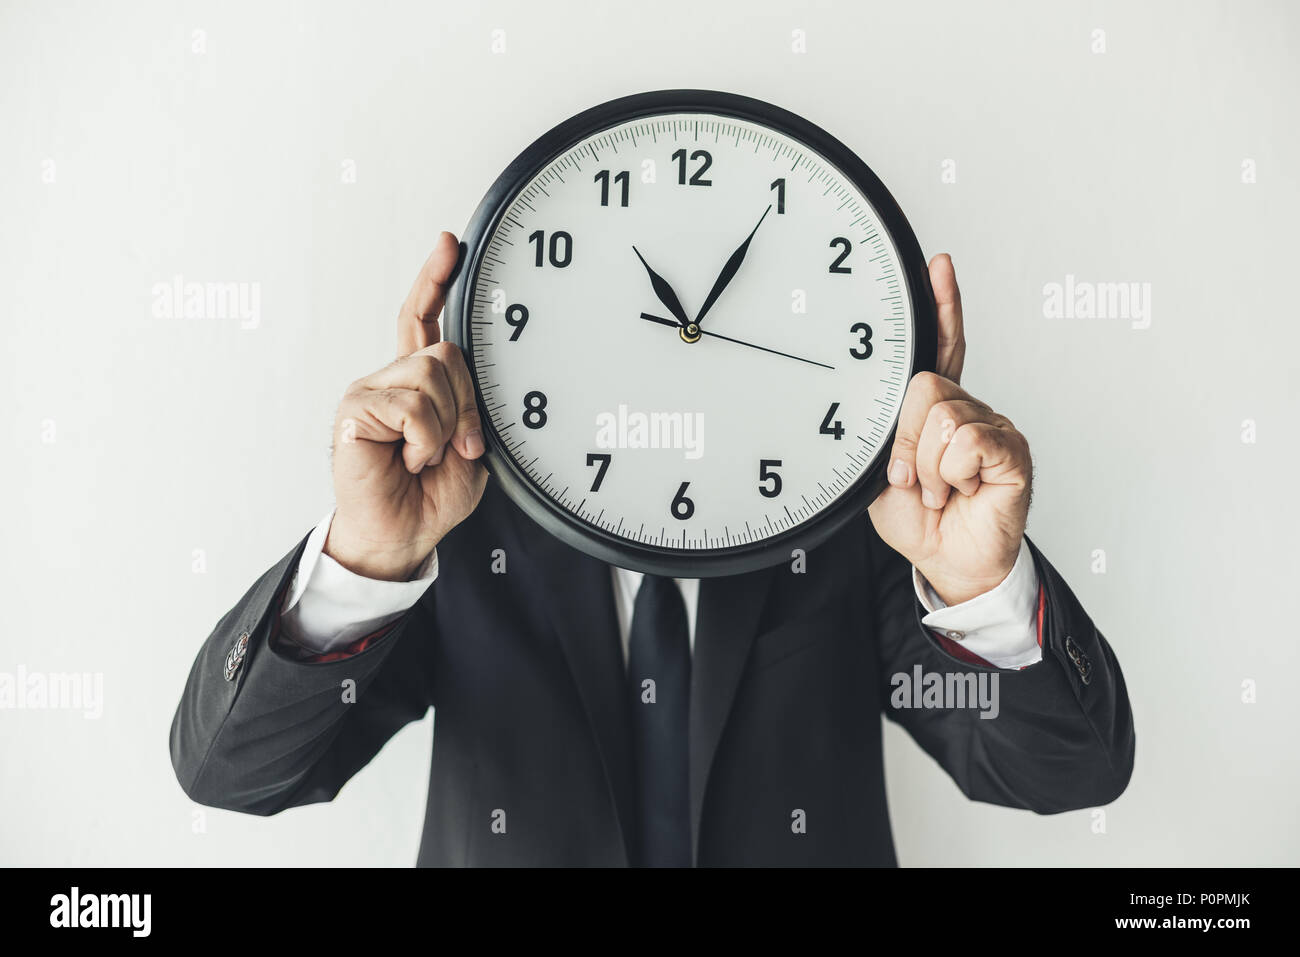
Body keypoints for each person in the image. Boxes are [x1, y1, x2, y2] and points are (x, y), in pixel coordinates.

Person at [169, 232, 1134, 866]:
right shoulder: (461, 530)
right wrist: (366, 558)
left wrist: (977, 583)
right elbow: (232, 773)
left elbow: (1067, 774)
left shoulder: (852, 524)